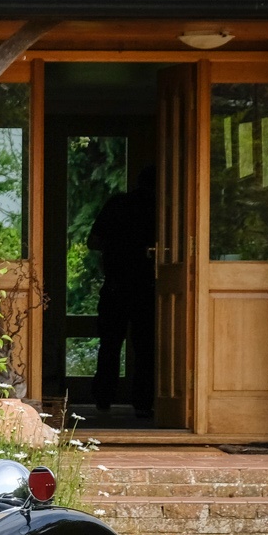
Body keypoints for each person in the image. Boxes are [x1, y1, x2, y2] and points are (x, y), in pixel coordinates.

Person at [88, 167, 157, 417]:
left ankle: (103, 398)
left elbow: (93, 241)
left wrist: (115, 247)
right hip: (147, 286)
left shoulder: (118, 204)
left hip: (116, 283)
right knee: (145, 347)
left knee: (110, 344)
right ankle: (143, 402)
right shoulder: (161, 208)